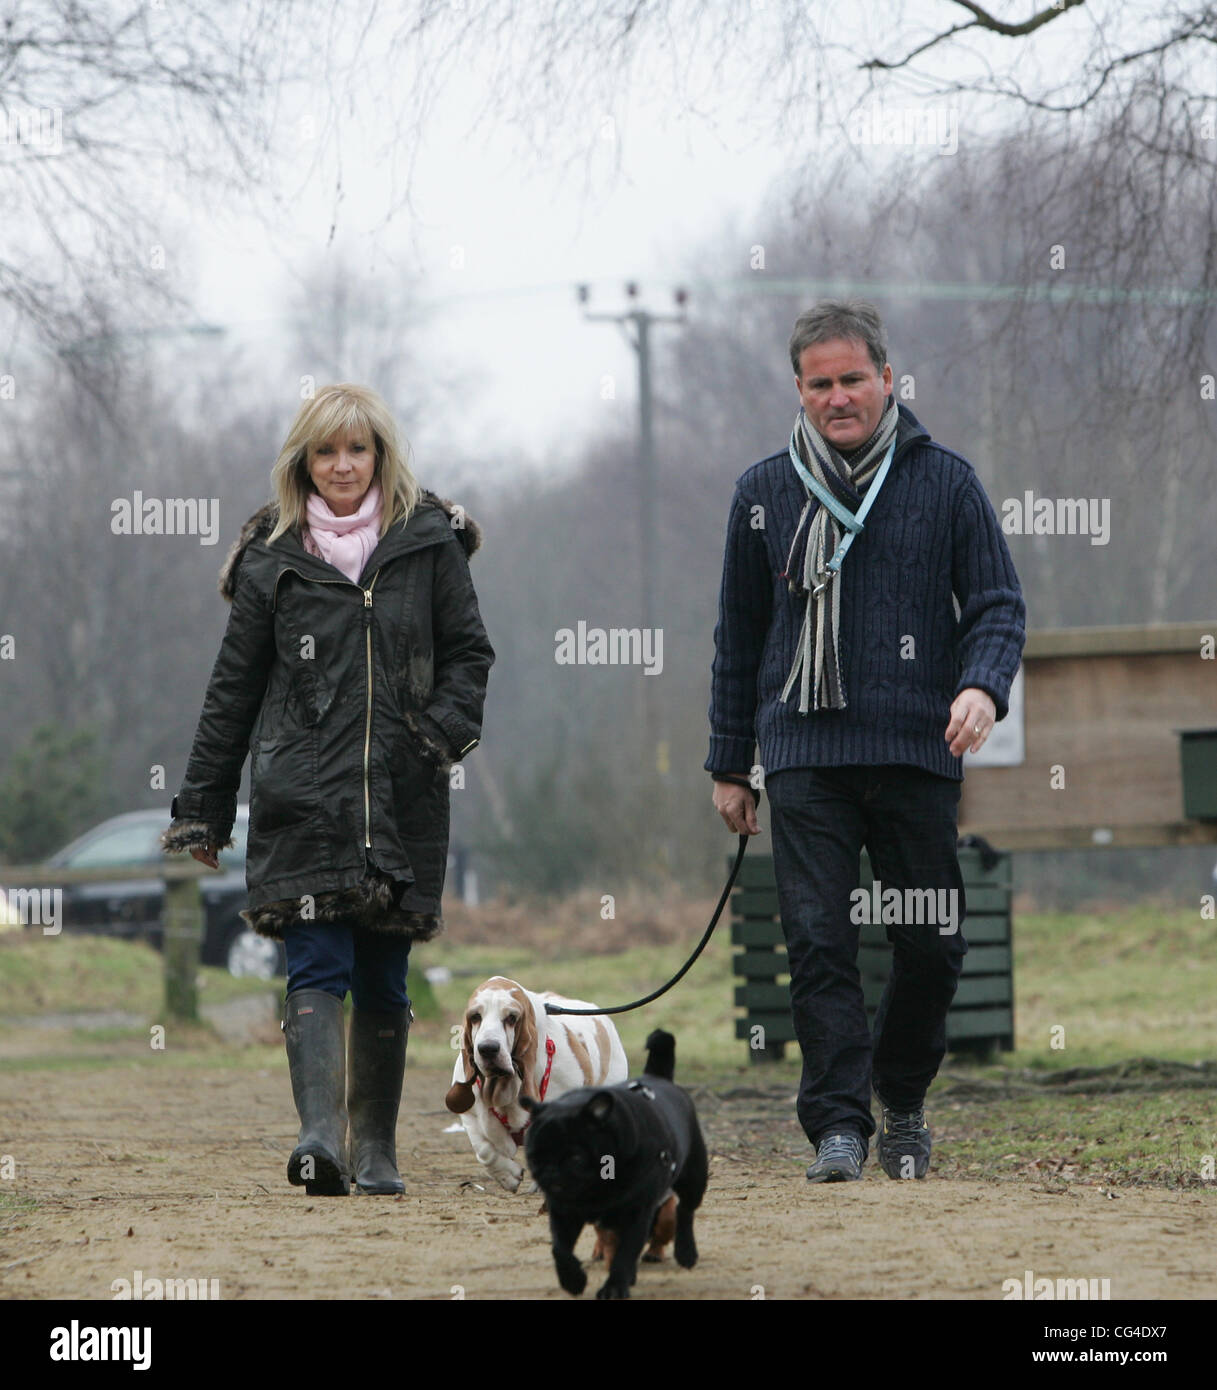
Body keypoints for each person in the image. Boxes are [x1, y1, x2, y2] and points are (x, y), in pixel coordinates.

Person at [707, 300, 1024, 1182]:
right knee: (819, 942)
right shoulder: (761, 493)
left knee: (930, 944)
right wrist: (730, 763)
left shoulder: (945, 483)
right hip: (803, 756)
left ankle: (903, 1098)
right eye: (820, 384)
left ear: (887, 379)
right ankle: (838, 1124)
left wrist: (979, 686)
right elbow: (738, 636)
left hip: (916, 752)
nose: (838, 397)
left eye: (852, 379)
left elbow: (997, 605)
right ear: (798, 390)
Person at [161, 384, 494, 1196]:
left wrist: (434, 737)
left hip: (402, 800)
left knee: (383, 972)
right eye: (325, 451)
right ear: (302, 462)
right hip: (302, 799)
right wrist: (202, 808)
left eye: (357, 449)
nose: (342, 465)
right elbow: (232, 690)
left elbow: (469, 656)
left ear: (380, 455)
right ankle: (320, 1138)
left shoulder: (428, 543)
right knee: (315, 961)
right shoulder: (271, 559)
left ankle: (374, 1149)